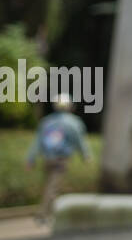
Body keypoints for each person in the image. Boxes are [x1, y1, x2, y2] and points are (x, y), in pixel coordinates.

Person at [24, 94, 91, 225]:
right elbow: (80, 141)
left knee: (48, 186)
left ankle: (46, 213)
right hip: (61, 160)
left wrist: (30, 159)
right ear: (70, 106)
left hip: (47, 159)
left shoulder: (47, 121)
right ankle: (43, 215)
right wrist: (86, 156)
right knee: (53, 188)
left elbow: (37, 142)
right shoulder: (74, 122)